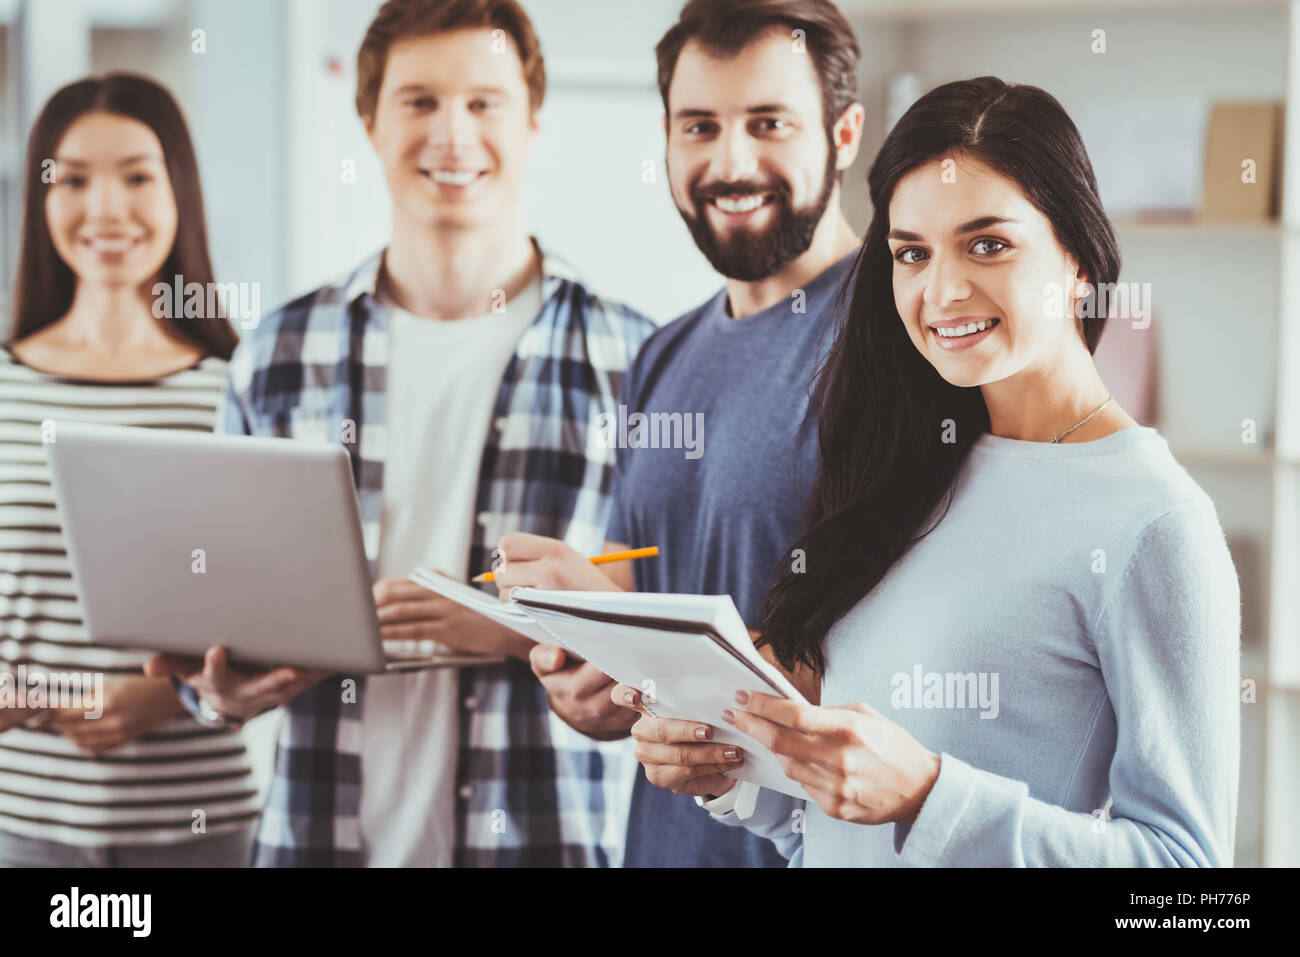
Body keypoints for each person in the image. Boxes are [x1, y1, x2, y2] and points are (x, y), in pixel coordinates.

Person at [617, 77, 1241, 867]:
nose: (942, 290)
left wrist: (928, 795)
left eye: (987, 244)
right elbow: (836, 833)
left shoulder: (1154, 524)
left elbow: (1189, 885)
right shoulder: (904, 467)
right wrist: (735, 776)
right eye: (912, 252)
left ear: (1078, 257)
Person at [145, 0, 654, 867]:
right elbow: (214, 611)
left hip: (548, 842)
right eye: (419, 101)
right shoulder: (276, 353)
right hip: (319, 838)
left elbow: (670, 645)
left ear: (531, 119)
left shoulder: (635, 358)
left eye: (483, 102)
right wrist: (219, 690)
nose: (452, 134)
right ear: (369, 119)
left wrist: (530, 628)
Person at [491, 0, 866, 867]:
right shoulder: (663, 353)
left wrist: (660, 664)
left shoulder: (897, 337)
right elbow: (637, 601)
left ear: (844, 134)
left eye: (768, 123)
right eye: (699, 126)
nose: (730, 162)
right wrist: (590, 673)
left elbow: (907, 667)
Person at [0, 73, 257, 866]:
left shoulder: (238, 387)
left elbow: (275, 603)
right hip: (21, 818)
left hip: (199, 820)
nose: (105, 209)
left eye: (137, 177)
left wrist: (168, 693)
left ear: (179, 188)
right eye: (72, 178)